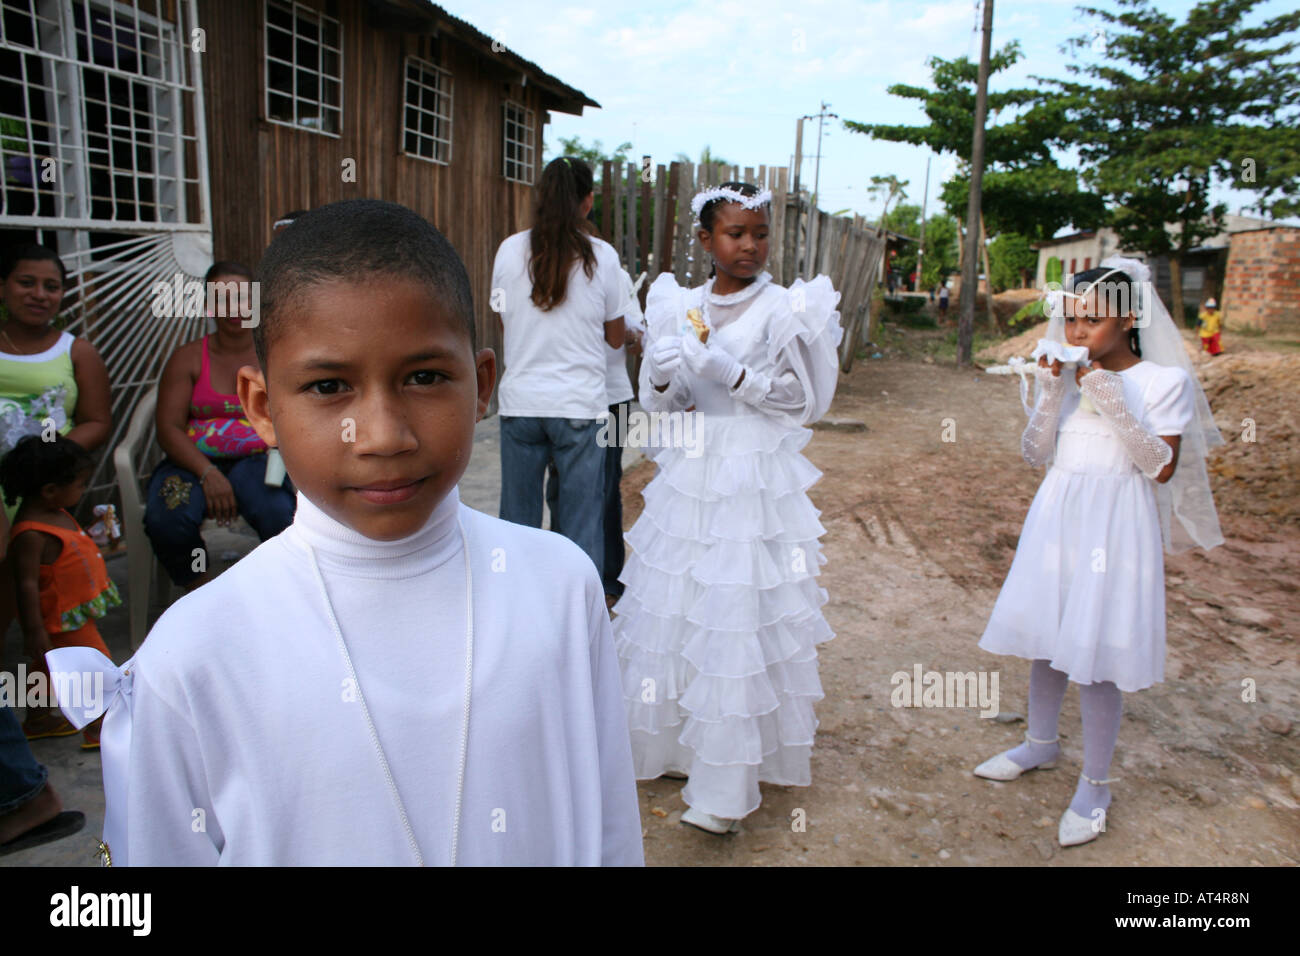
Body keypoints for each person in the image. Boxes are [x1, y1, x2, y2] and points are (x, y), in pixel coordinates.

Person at [49, 199, 642, 865]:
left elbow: (609, 822)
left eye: (423, 377)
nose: (383, 435)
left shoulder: (558, 584)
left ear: (480, 386)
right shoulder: (194, 656)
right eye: (330, 386)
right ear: (262, 408)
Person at [612, 182, 842, 834]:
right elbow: (664, 404)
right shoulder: (679, 304)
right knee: (682, 602)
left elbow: (805, 404)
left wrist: (732, 372)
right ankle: (679, 747)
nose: (750, 245)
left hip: (752, 471)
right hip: (693, 465)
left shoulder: (786, 306)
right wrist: (659, 373)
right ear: (707, 240)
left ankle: (724, 784)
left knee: (738, 610)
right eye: (736, 233)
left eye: (760, 232)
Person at [975, 258, 1223, 848]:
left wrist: (1113, 402)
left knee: (1097, 649)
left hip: (1115, 526)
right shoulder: (1068, 371)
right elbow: (1037, 454)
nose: (1078, 331)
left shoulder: (1164, 381)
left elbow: (1160, 468)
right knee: (1046, 631)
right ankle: (1040, 742)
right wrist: (1049, 392)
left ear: (1130, 318)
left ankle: (1096, 783)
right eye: (1071, 318)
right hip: (1059, 513)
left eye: (1092, 320)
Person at [492, 157, 626, 576]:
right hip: (580, 408)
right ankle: (579, 617)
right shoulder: (602, 256)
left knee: (517, 523)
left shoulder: (509, 250)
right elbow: (617, 337)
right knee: (582, 524)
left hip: (521, 404)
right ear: (587, 203)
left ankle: (516, 610)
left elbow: (504, 317)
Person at [143, 260, 295, 591]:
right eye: (222, 298)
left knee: (278, 514)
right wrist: (207, 473)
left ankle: (278, 594)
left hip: (261, 460)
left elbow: (294, 414)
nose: (234, 308)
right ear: (209, 305)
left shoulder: (276, 356)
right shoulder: (187, 357)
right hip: (191, 461)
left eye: (241, 297)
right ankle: (199, 592)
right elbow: (168, 427)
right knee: (167, 519)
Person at [0, 245, 111, 646]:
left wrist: (39, 462)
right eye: (26, 283)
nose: (39, 294)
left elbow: (97, 421)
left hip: (41, 485)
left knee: (26, 576)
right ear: (3, 286)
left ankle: (40, 658)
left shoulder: (75, 351)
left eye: (51, 286)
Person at [3, 435, 120, 748]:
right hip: (60, 618)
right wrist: (33, 631)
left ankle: (39, 719)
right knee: (95, 664)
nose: (83, 489)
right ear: (50, 491)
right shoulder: (30, 534)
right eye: (80, 484)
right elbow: (25, 584)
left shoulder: (55, 513)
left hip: (72, 609)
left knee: (45, 668)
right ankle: (100, 727)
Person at [0, 504, 87, 857]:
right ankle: (41, 721)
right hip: (54, 630)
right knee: (43, 674)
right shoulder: (35, 532)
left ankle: (22, 793)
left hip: (69, 626)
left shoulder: (46, 527)